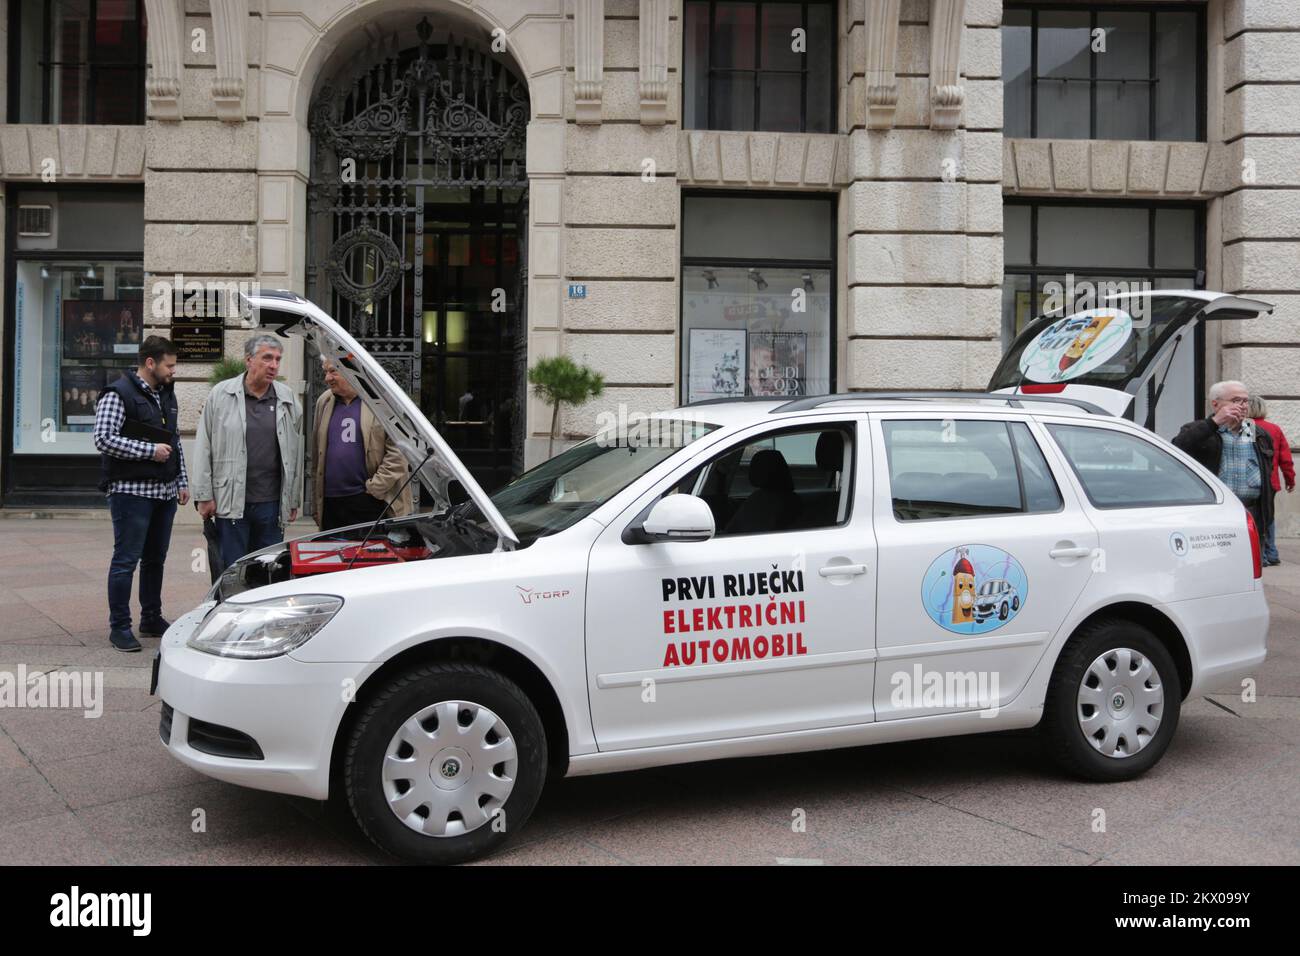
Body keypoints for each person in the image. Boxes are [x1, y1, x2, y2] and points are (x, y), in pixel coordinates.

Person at [93, 336, 188, 653]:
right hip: (131, 492)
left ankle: (151, 618)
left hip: (164, 492)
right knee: (125, 561)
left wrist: (182, 480)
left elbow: (174, 441)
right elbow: (103, 439)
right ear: (151, 363)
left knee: (155, 561)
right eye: (169, 365)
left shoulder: (166, 393)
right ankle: (119, 627)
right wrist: (149, 451)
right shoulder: (118, 393)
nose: (173, 371)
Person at [192, 334, 303, 570]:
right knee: (231, 571)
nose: (273, 365)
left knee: (267, 572)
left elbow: (295, 453)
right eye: (267, 358)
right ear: (249, 360)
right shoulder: (221, 395)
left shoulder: (288, 398)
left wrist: (293, 498)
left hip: (271, 504)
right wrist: (203, 495)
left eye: (277, 359)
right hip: (231, 501)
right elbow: (204, 446)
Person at [1172, 380, 1275, 552]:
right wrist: (1216, 421)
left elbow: (1267, 470)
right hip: (1213, 513)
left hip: (1250, 512)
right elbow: (1178, 448)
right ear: (1216, 404)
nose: (1242, 406)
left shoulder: (1258, 434)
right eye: (1236, 401)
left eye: (1245, 401)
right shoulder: (1201, 430)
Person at [313, 356, 413, 531]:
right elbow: (316, 451)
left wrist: (375, 488)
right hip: (331, 502)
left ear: (351, 371)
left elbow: (400, 452)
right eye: (325, 372)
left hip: (369, 501)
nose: (327, 378)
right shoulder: (324, 401)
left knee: (370, 556)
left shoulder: (382, 402)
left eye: (333, 371)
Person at [1250, 395, 1295, 566]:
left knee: (1254, 518)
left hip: (1251, 482)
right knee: (1268, 516)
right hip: (1271, 482)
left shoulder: (1246, 427)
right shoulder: (1274, 429)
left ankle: (1261, 555)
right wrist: (1290, 479)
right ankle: (1272, 552)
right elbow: (1285, 458)